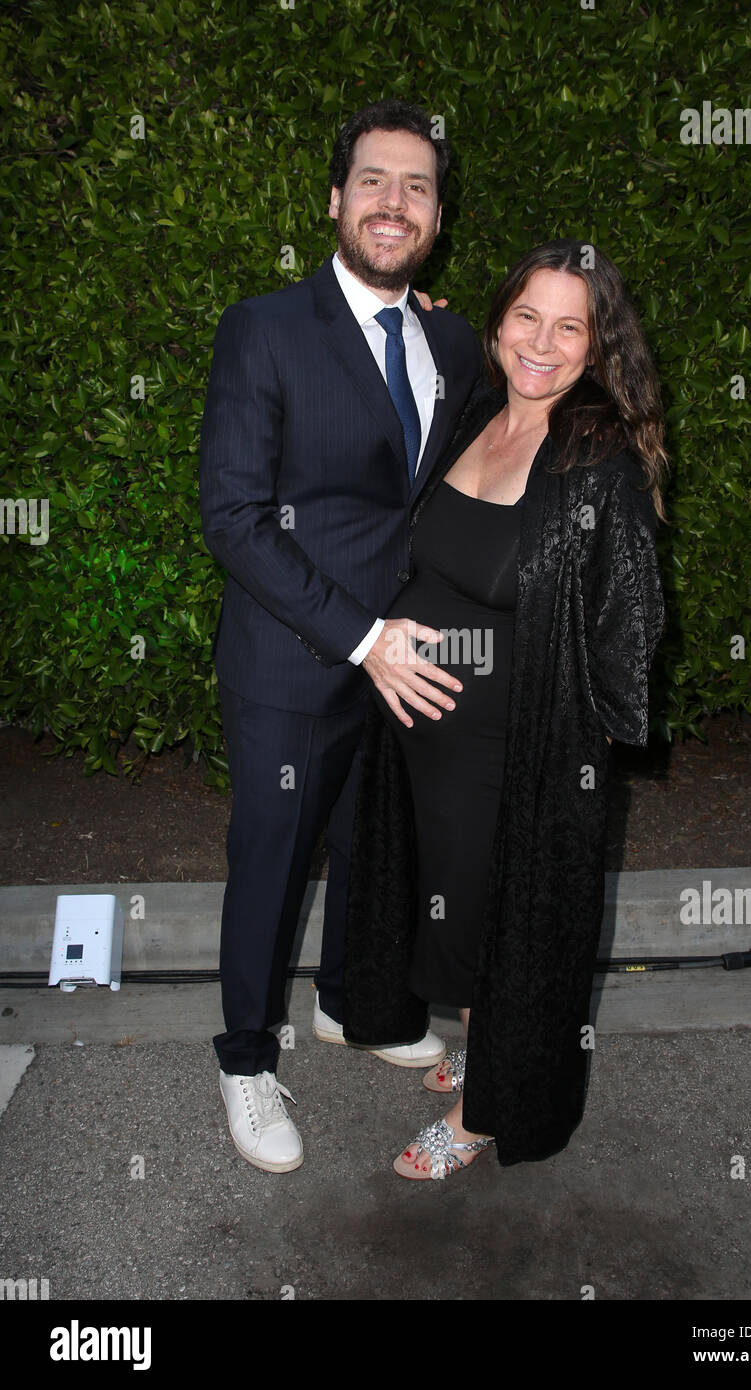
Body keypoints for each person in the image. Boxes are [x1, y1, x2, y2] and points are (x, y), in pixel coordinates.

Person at [199, 99, 483, 1173]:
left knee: (378, 853)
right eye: (372, 180)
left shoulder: (451, 338)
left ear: (437, 214)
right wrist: (360, 634)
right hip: (293, 657)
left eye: (414, 186)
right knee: (269, 864)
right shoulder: (263, 328)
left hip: (401, 662)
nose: (392, 202)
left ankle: (355, 1008)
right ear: (334, 199)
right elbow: (231, 515)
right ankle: (242, 1060)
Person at [342, 239, 668, 1177]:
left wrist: (585, 760)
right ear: (496, 321)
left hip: (515, 750)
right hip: (421, 739)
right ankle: (487, 1053)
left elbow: (632, 615)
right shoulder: (477, 410)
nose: (543, 342)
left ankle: (489, 1111)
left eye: (571, 326)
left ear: (598, 347)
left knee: (505, 923)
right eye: (526, 315)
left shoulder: (596, 457)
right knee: (452, 913)